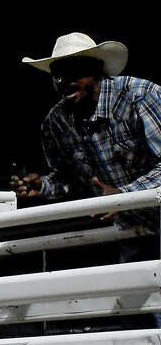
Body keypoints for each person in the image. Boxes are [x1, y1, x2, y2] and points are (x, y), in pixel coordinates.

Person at [11, 32, 161, 261]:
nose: (63, 81)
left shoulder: (140, 96)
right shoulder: (57, 122)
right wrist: (43, 186)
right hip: (135, 230)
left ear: (96, 71)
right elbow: (70, 179)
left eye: (73, 71)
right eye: (58, 74)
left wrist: (124, 195)